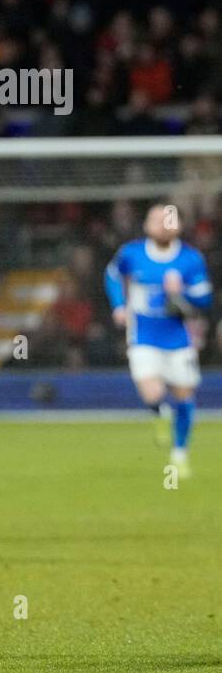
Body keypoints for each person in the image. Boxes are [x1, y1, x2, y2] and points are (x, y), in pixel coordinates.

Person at [105, 203, 212, 478]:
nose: (163, 225)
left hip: (178, 336)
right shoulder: (132, 253)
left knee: (185, 397)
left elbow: (205, 298)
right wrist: (119, 305)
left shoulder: (190, 259)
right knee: (151, 392)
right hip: (144, 334)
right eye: (157, 220)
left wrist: (182, 293)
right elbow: (112, 275)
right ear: (147, 225)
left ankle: (179, 454)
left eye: (169, 220)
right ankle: (160, 412)